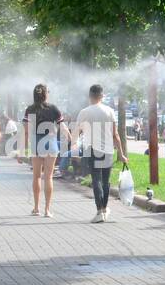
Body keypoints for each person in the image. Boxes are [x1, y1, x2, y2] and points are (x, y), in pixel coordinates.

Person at [74, 84, 127, 223]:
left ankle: (100, 212)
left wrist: (74, 149)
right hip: (108, 150)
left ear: (90, 96)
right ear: (102, 96)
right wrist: (121, 153)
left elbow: (76, 133)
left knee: (96, 179)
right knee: (105, 181)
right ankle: (104, 209)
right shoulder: (109, 111)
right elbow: (115, 134)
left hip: (92, 150)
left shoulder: (84, 112)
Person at [24, 83, 74, 218]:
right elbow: (62, 126)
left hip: (36, 143)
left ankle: (36, 208)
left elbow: (27, 131)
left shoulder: (29, 109)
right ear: (46, 94)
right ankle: (47, 210)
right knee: (48, 177)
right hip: (51, 143)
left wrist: (24, 149)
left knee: (36, 176)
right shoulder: (53, 108)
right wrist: (70, 137)